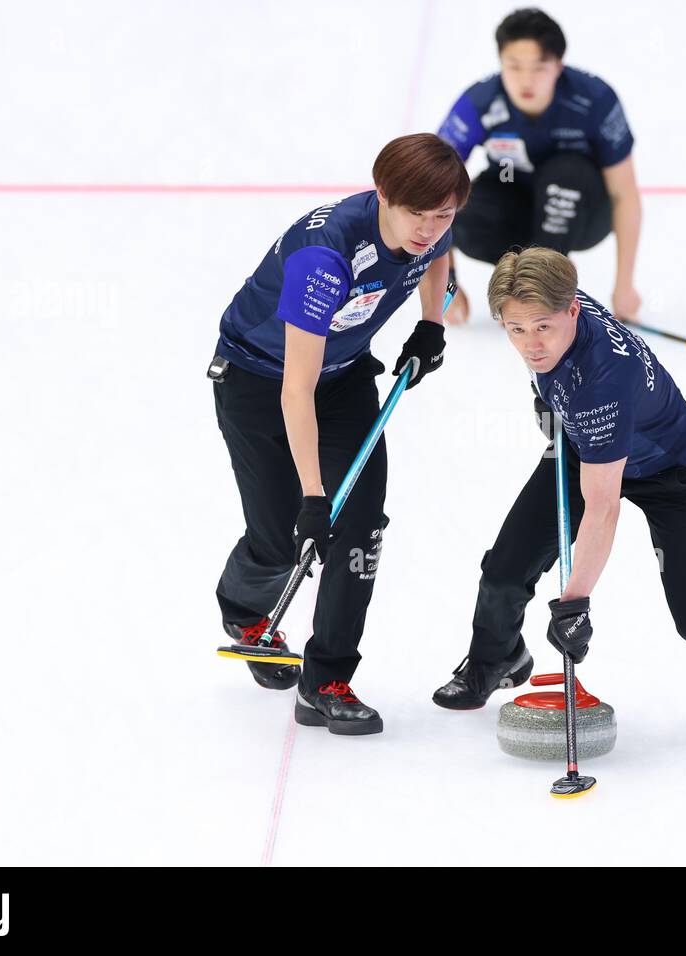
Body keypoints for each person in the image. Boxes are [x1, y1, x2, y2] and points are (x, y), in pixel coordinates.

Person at [432, 248, 686, 737]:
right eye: (515, 330)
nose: (531, 345)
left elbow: (602, 510)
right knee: (505, 569)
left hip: (676, 474)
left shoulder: (600, 385)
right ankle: (496, 658)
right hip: (587, 446)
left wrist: (574, 604)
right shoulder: (552, 296)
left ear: (572, 310)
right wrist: (546, 398)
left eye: (542, 327)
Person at [211, 133, 469, 736]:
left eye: (444, 215)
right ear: (383, 195)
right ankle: (247, 609)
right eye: (417, 215)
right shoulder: (323, 259)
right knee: (282, 535)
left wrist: (432, 324)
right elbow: (295, 390)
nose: (430, 229)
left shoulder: (432, 224)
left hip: (346, 376)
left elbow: (440, 256)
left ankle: (326, 679)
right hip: (258, 380)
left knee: (360, 531)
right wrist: (312, 496)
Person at [436, 8, 643, 325]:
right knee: (464, 210)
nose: (525, 80)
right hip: (510, 191)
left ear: (559, 66)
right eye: (514, 67)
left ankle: (544, 285)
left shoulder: (595, 100)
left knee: (565, 173)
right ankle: (521, 283)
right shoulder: (479, 103)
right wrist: (445, 286)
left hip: (580, 208)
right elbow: (433, 189)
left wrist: (624, 285)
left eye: (539, 68)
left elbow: (624, 193)